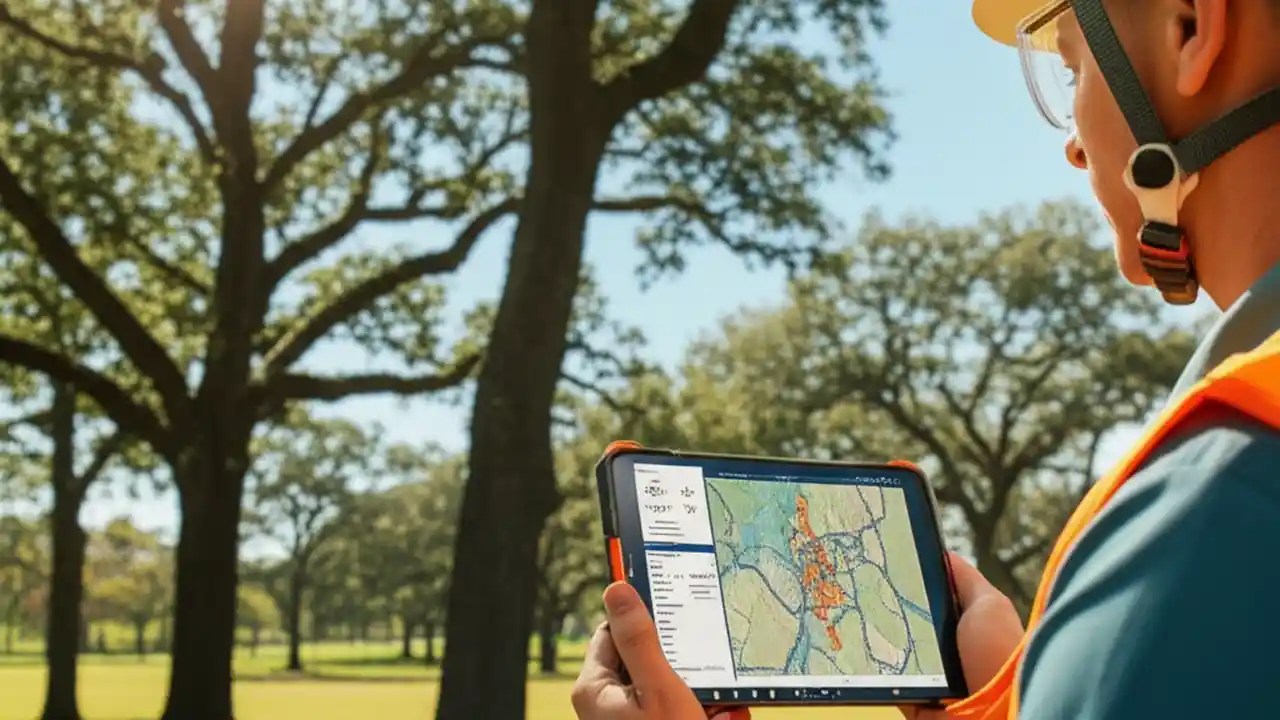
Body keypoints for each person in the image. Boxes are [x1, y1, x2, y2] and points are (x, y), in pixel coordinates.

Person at [571, 0, 1280, 718]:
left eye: (1072, 71)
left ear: (1192, 26)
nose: (1072, 145)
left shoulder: (1216, 518)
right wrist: (1019, 694)